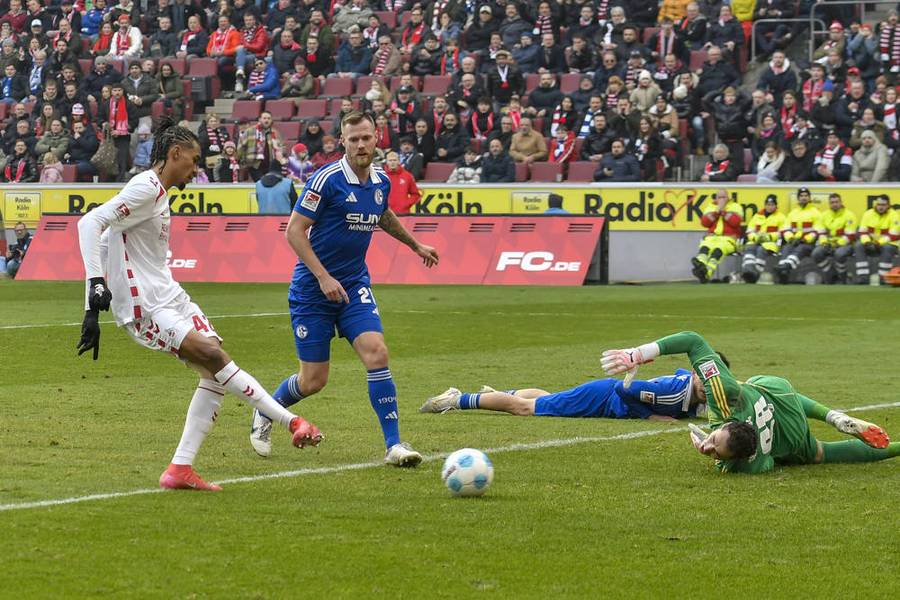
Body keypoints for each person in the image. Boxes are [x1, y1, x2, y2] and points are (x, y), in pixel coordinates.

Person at [75, 117, 323, 491]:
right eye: (192, 160)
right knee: (215, 357)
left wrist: (91, 310)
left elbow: (109, 240)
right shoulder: (144, 187)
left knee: (213, 365)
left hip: (170, 295)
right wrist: (94, 291)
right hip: (147, 306)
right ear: (175, 154)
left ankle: (179, 470)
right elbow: (90, 224)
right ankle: (291, 421)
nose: (196, 169)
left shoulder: (157, 191)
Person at [248, 111, 439, 467]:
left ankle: (394, 445)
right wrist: (322, 276)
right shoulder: (326, 180)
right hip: (312, 290)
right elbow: (294, 231)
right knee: (313, 380)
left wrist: (415, 246)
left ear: (378, 137)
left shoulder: (380, 181)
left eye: (366, 137)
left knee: (377, 353)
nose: (361, 144)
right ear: (343, 142)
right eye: (353, 139)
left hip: (353, 285)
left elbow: (383, 215)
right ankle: (266, 411)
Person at [601, 331, 897, 474]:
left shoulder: (749, 465)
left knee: (822, 454)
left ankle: (888, 445)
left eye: (714, 441)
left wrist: (717, 457)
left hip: (788, 442)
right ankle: (831, 416)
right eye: (715, 445)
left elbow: (749, 461)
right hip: (779, 399)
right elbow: (692, 340)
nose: (709, 446)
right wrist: (638, 353)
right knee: (764, 385)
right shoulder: (724, 394)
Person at [420, 368, 705, 420]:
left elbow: (684, 369)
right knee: (525, 409)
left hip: (602, 399)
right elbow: (623, 387)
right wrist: (650, 416)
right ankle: (456, 399)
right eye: (703, 380)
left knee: (546, 398)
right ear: (695, 376)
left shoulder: (691, 383)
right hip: (603, 398)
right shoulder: (671, 393)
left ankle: (498, 393)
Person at [691, 188, 743, 283]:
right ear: (716, 198)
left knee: (717, 251)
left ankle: (707, 273)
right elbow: (704, 223)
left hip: (728, 238)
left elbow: (736, 222)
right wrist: (716, 213)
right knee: (705, 248)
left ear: (728, 197)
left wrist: (722, 212)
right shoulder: (710, 207)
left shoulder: (735, 206)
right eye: (719, 197)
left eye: (724, 197)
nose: (721, 199)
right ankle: (700, 264)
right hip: (712, 237)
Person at [774, 186, 822, 284]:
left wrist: (805, 239)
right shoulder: (793, 213)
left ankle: (786, 266)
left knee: (801, 248)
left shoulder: (815, 212)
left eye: (806, 196)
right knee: (786, 248)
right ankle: (783, 273)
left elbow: (817, 231)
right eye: (801, 196)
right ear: (798, 198)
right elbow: (786, 228)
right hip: (795, 241)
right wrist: (790, 238)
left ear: (809, 198)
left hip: (809, 244)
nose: (804, 198)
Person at [852, 195, 899, 284]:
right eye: (879, 204)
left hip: (889, 244)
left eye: (883, 205)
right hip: (871, 244)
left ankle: (884, 278)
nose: (881, 207)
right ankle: (863, 277)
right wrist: (867, 242)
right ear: (876, 205)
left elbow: (893, 235)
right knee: (859, 245)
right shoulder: (868, 213)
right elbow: (862, 232)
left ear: (888, 205)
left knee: (887, 248)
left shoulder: (894, 215)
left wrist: (877, 243)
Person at [812, 193, 857, 284]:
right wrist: (824, 243)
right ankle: (830, 273)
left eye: (837, 202)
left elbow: (850, 235)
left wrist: (838, 244)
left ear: (841, 202)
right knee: (816, 253)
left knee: (839, 254)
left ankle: (843, 276)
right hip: (828, 244)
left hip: (846, 244)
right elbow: (821, 232)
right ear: (829, 204)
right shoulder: (824, 215)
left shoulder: (849, 215)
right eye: (832, 202)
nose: (834, 204)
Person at [741, 194, 786, 283]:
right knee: (749, 248)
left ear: (776, 206)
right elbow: (750, 230)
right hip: (756, 241)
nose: (770, 207)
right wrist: (755, 237)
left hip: (771, 243)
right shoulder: (757, 216)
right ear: (765, 205)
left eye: (772, 204)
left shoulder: (781, 217)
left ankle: (756, 273)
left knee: (761, 250)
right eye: (768, 204)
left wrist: (768, 237)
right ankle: (748, 271)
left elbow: (782, 233)